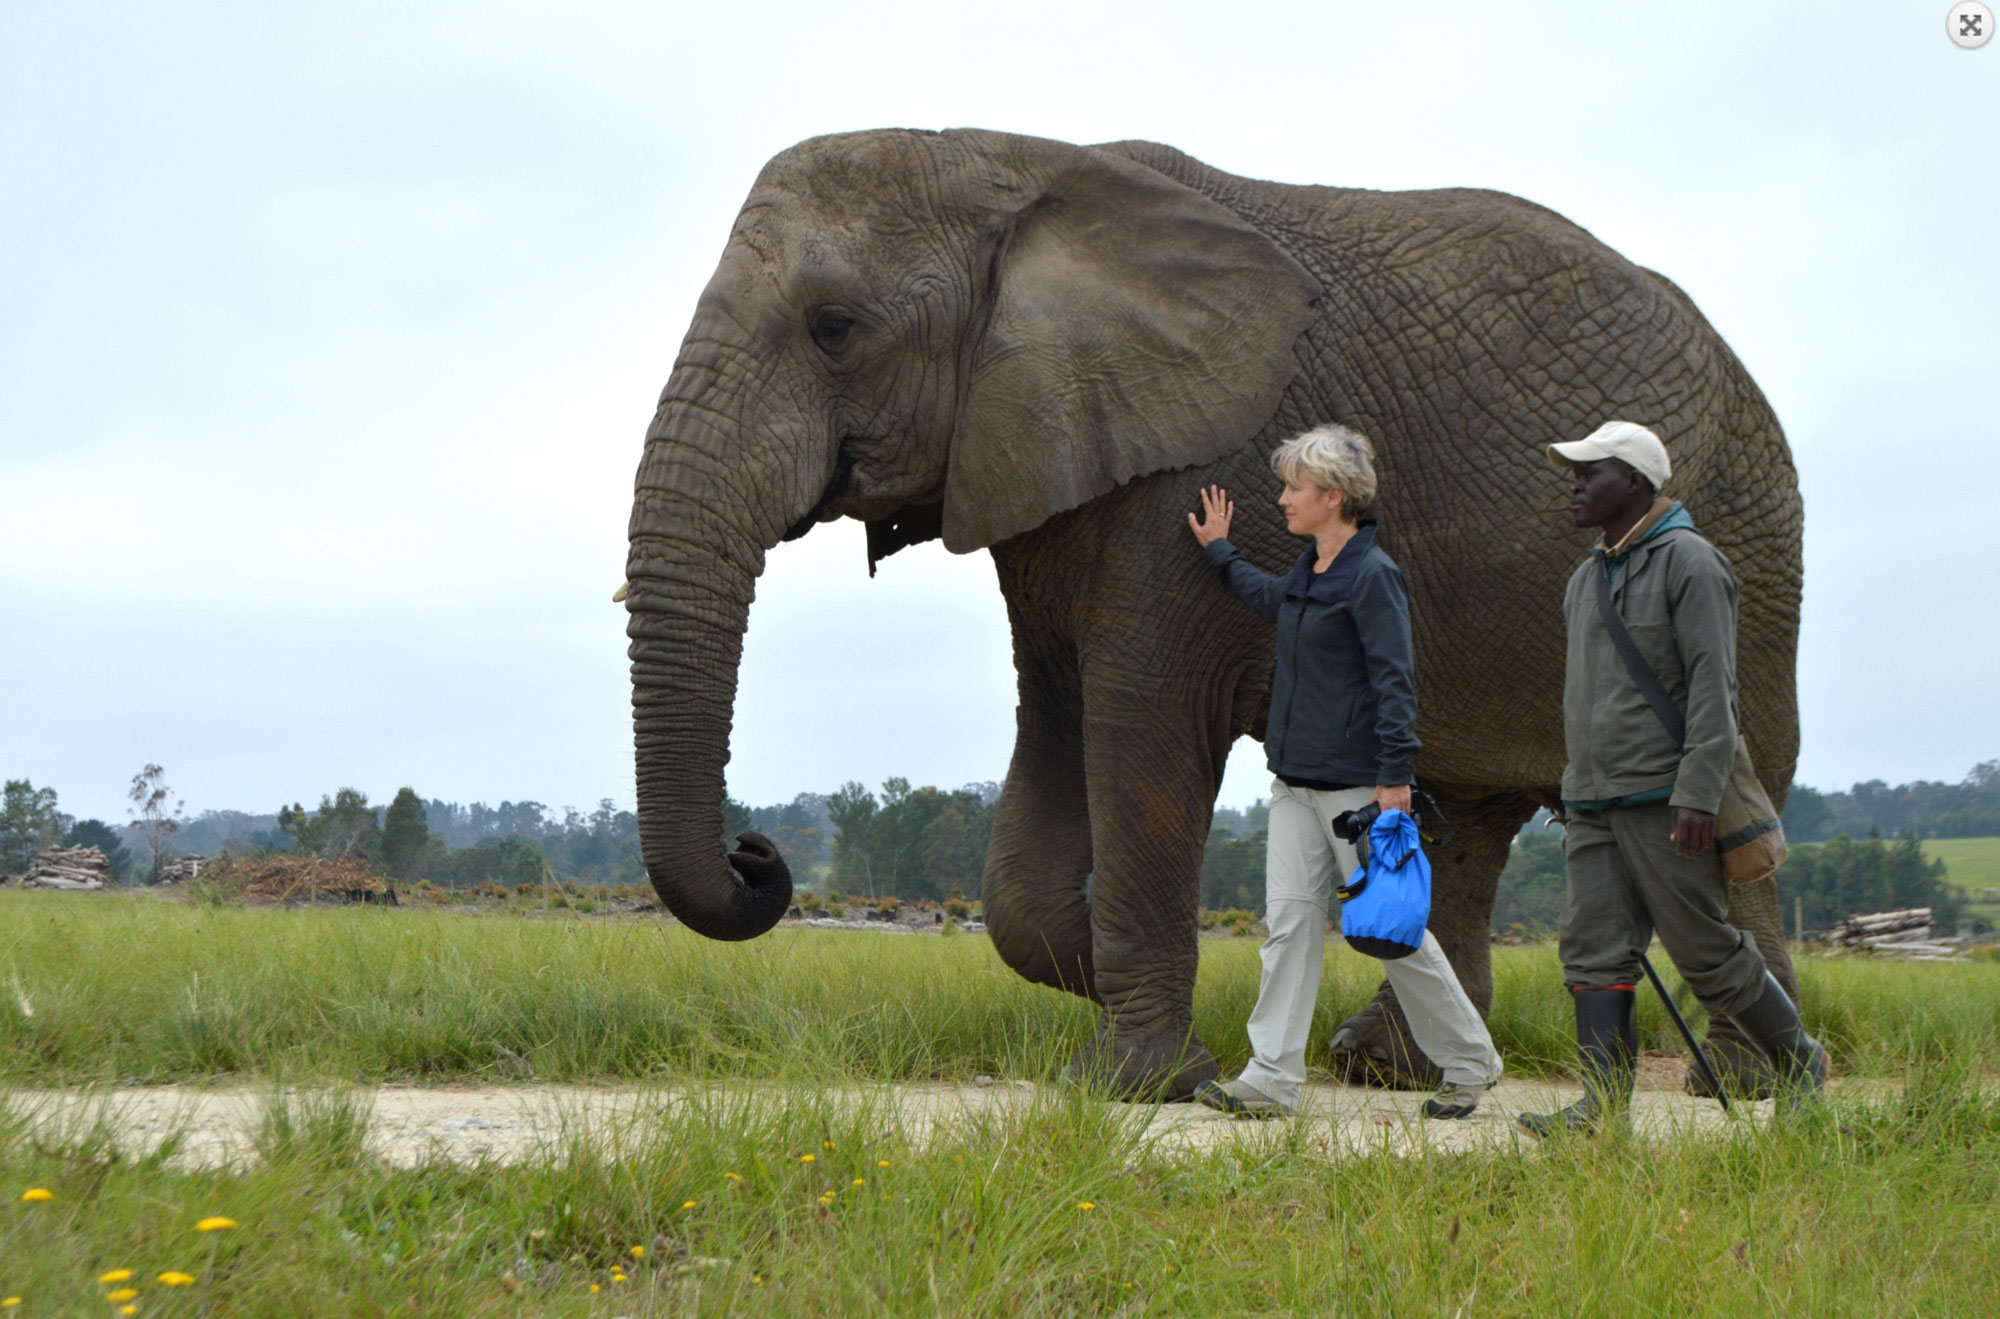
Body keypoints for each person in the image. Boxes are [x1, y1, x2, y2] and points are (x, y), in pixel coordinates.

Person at [1185, 424, 1504, 1120]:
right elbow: (1271, 600)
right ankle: (1271, 1080)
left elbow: (1396, 682)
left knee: (1395, 934)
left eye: (1294, 487)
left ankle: (1471, 1064)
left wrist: (1395, 780)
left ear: (1333, 496)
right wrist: (1219, 551)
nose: (1283, 499)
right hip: (1294, 785)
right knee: (1287, 929)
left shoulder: (1373, 576)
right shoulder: (1311, 572)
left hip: (1359, 792)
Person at [1517, 421, 1826, 1138]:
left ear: (1634, 480)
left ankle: (1799, 1061)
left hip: (1666, 799)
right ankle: (1601, 1109)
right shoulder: (1584, 579)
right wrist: (1573, 787)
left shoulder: (1693, 563)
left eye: (1589, 472)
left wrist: (1697, 793)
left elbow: (1716, 692)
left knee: (1705, 950)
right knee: (1591, 951)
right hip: (1591, 802)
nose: (1575, 485)